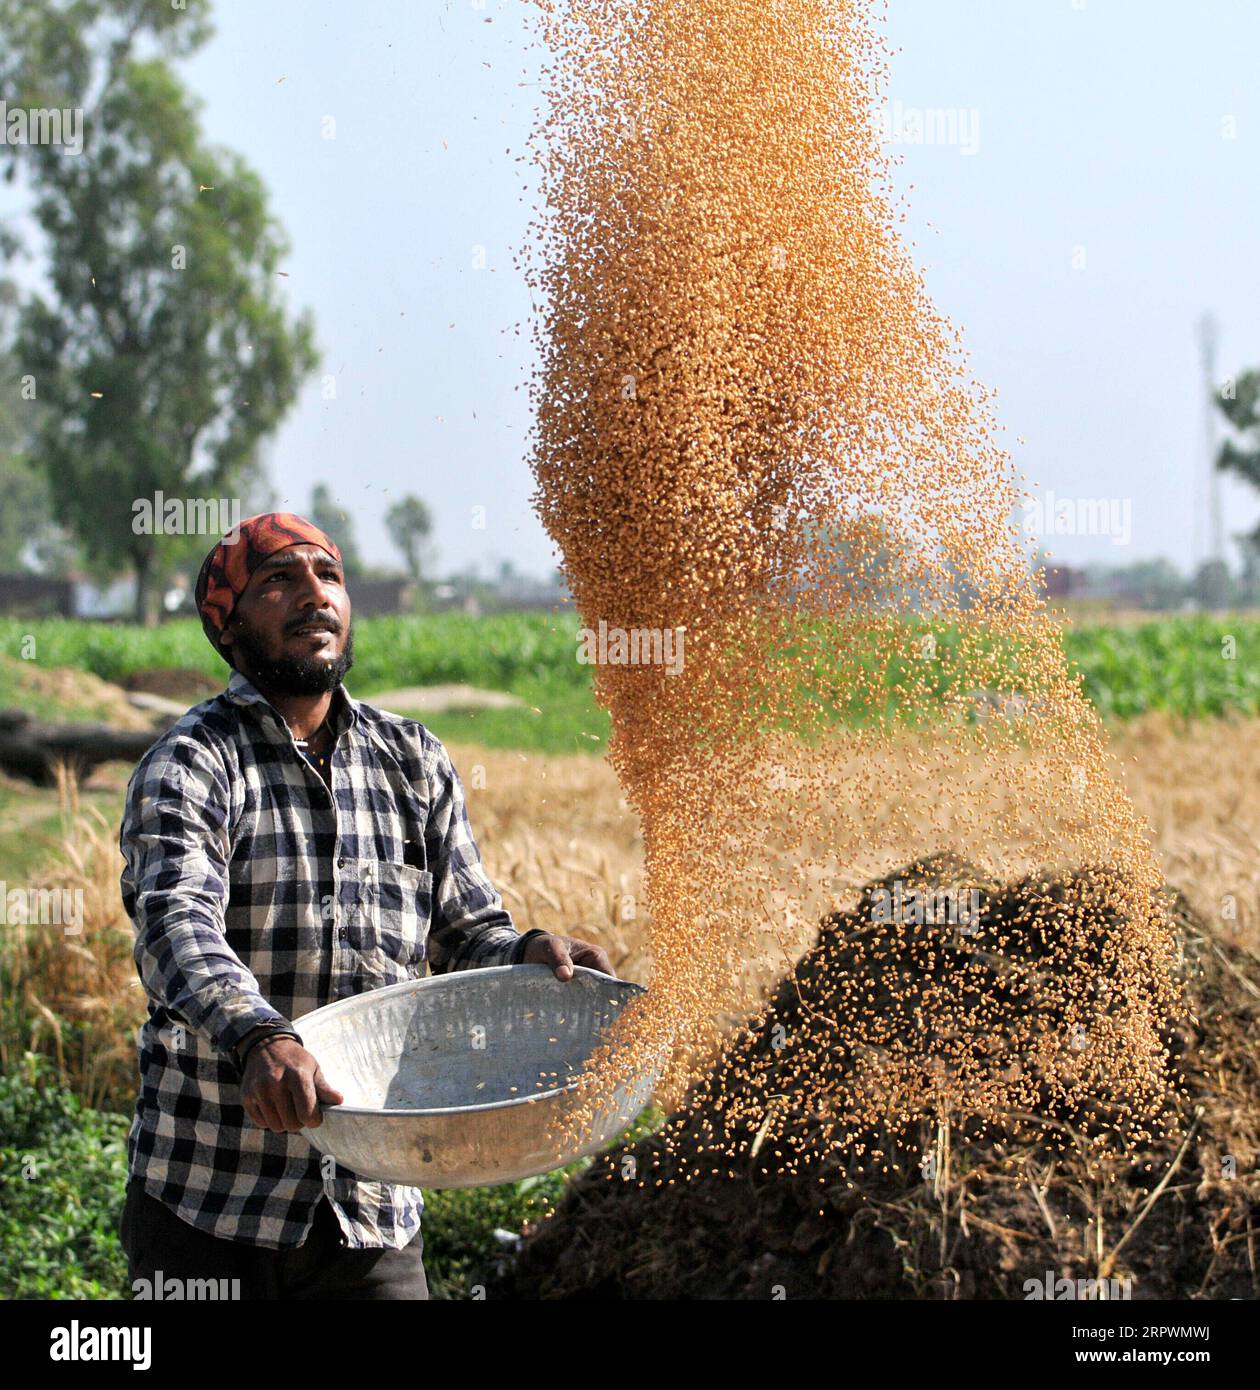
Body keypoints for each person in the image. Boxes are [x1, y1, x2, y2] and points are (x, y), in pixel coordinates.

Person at [117, 510, 614, 1300]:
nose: (314, 595)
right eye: (279, 580)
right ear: (230, 627)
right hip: (212, 1201)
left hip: (372, 1208)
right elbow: (175, 923)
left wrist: (528, 954)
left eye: (329, 576)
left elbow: (466, 931)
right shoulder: (193, 762)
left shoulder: (411, 759)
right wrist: (257, 1038)